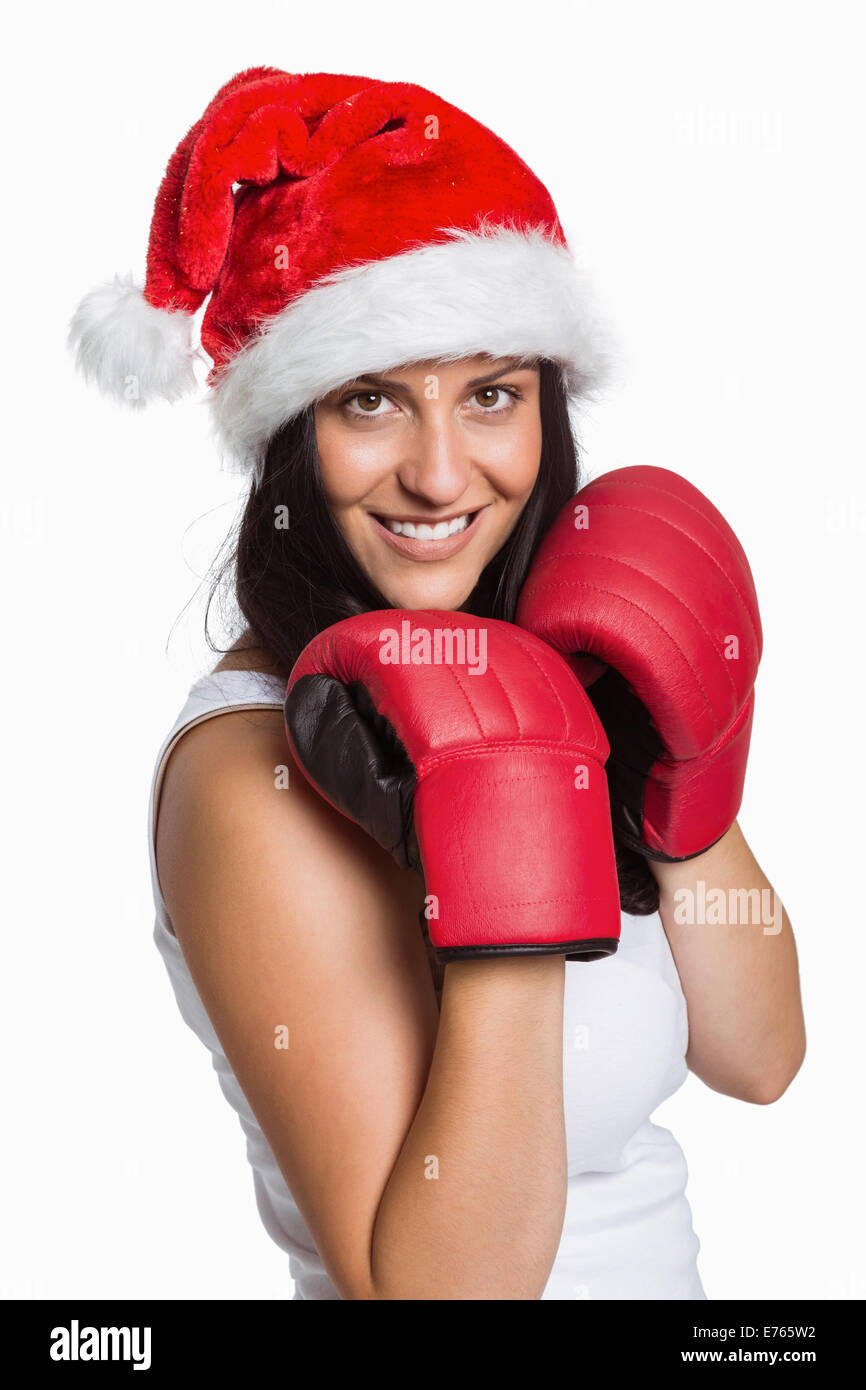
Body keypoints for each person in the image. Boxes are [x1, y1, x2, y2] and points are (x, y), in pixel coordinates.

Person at [68, 66, 806, 1301]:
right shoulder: (250, 774)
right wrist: (508, 869)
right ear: (289, 436)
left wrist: (678, 761)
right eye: (371, 401)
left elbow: (762, 1055)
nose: (439, 472)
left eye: (490, 395)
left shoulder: (560, 663)